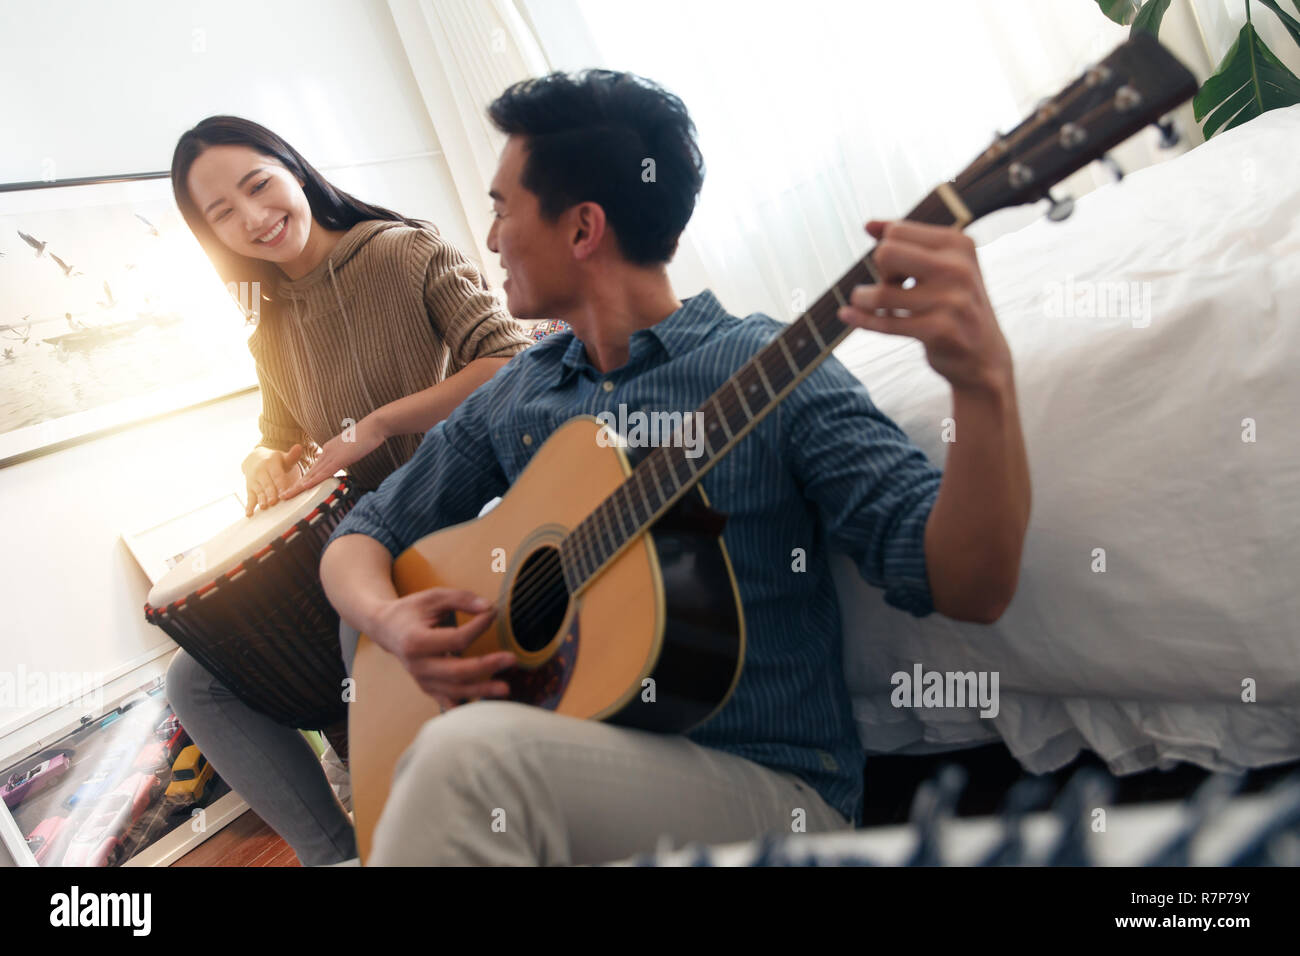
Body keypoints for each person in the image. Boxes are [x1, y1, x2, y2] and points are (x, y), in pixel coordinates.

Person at [320, 69, 1032, 866]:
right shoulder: (523, 388)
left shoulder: (769, 369)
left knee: (467, 763)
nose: (489, 240)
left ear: (582, 229)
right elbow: (361, 536)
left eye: (500, 208)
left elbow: (969, 585)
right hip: (553, 781)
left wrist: (983, 385)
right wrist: (389, 623)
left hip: (769, 794)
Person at [163, 116, 533, 865]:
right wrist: (261, 462)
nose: (254, 218)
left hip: (448, 518)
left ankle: (421, 830)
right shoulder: (267, 319)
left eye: (258, 185)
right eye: (222, 213)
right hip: (346, 541)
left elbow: (509, 364)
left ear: (295, 169)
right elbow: (275, 431)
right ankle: (335, 855)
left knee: (352, 628)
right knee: (194, 681)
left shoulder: (405, 253)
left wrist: (373, 427)